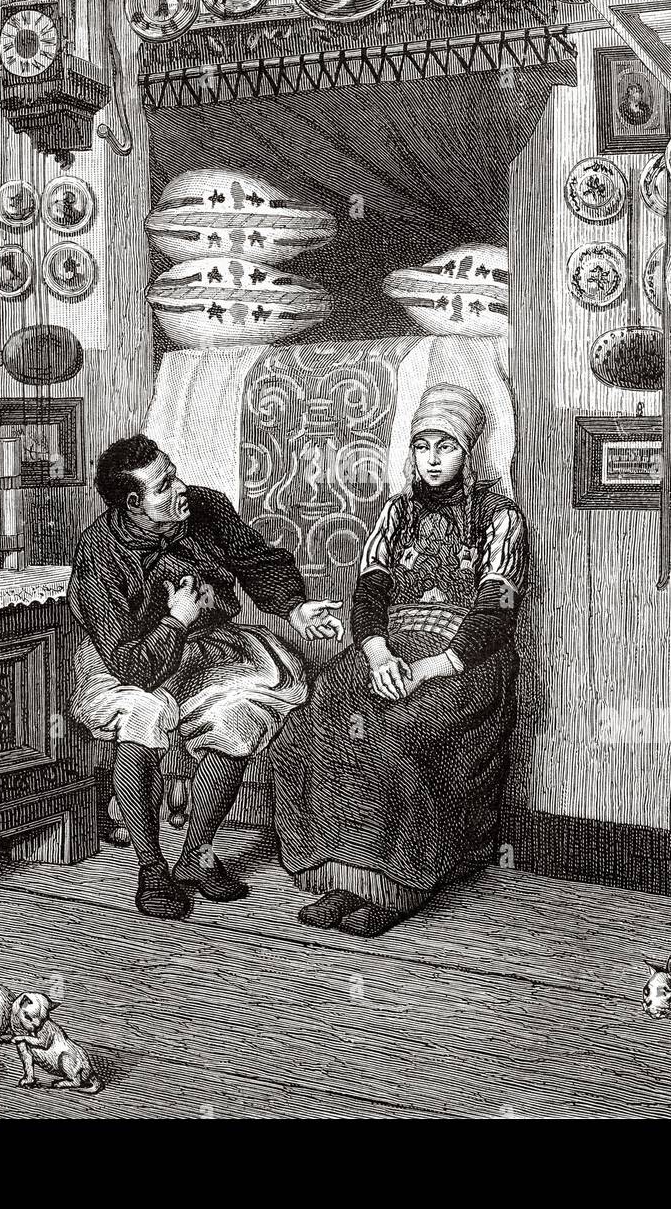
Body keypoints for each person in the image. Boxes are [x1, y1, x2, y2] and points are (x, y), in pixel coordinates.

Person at [270, 385, 528, 937]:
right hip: (390, 647)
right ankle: (341, 875)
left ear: (470, 452)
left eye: (446, 447)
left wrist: (436, 665)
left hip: (465, 661)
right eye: (422, 446)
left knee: (396, 735)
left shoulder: (500, 517)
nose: (432, 459)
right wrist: (377, 651)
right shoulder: (397, 511)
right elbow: (369, 594)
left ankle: (399, 884)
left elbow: (498, 611)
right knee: (317, 720)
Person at [68, 434, 343, 921]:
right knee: (141, 717)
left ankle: (195, 854)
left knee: (238, 720)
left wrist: (295, 608)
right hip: (127, 663)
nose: (180, 490)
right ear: (133, 504)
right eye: (163, 486)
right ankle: (151, 869)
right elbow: (131, 665)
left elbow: (256, 561)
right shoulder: (99, 553)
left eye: (174, 474)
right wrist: (175, 621)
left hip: (207, 652)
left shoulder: (206, 508)